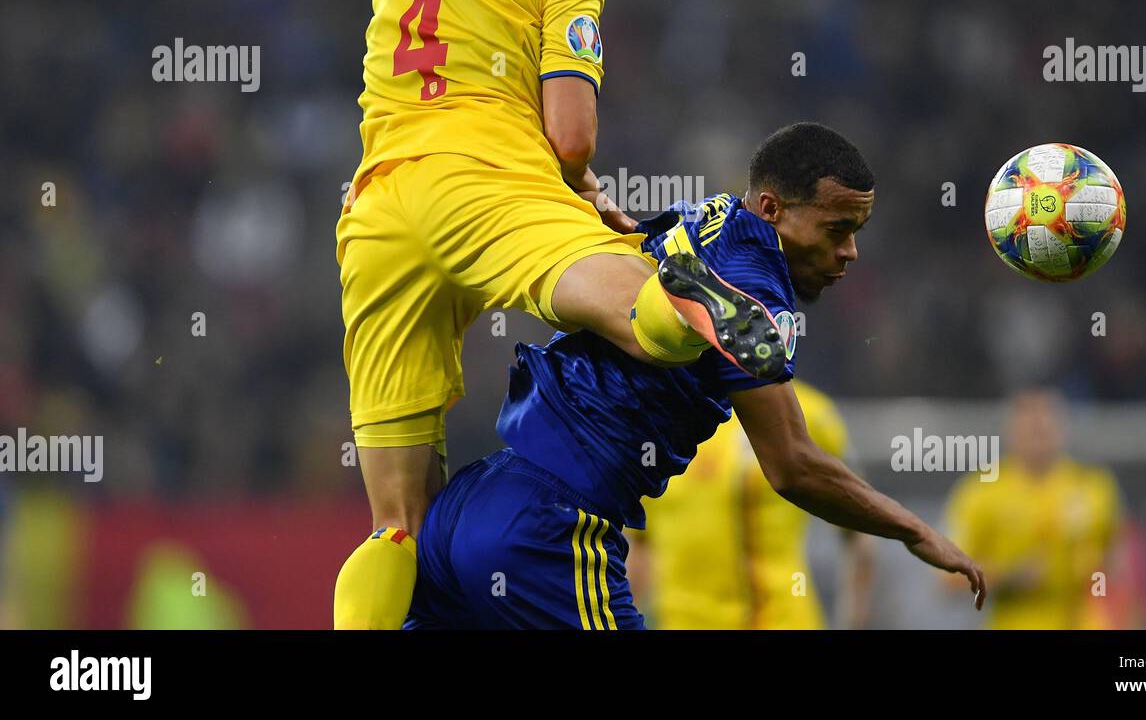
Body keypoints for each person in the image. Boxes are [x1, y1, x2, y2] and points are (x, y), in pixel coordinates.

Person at [334, 0, 786, 629]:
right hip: (483, 181)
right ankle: (704, 297)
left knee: (398, 526)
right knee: (640, 302)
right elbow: (569, 131)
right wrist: (580, 184)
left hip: (376, 209)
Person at [403, 123, 986, 628]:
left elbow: (630, 245)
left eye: (857, 230)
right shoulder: (758, 293)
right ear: (772, 210)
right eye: (836, 230)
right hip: (551, 530)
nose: (851, 252)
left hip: (469, 509)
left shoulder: (707, 217)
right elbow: (792, 465)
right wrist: (913, 530)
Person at [627, 379, 876, 629]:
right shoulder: (655, 421)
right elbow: (640, 545)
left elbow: (860, 530)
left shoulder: (804, 412)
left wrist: (854, 621)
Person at [941, 388, 1123, 629]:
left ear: (1062, 428)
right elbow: (948, 579)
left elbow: (1118, 565)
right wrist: (1008, 576)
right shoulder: (981, 492)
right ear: (1011, 432)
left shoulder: (1094, 487)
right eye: (1030, 428)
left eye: (1045, 427)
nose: (1039, 435)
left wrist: (1096, 584)